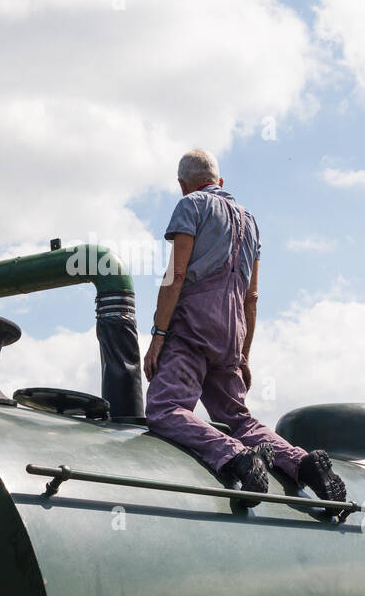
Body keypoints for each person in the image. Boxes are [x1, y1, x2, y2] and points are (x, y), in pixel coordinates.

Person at [143, 149, 348, 515]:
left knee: (164, 408)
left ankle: (236, 457)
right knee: (238, 418)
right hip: (232, 332)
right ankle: (302, 463)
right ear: (220, 181)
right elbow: (252, 297)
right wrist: (243, 356)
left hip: (194, 326)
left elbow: (177, 274)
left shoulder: (191, 205)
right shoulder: (250, 221)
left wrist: (159, 334)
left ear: (182, 185)